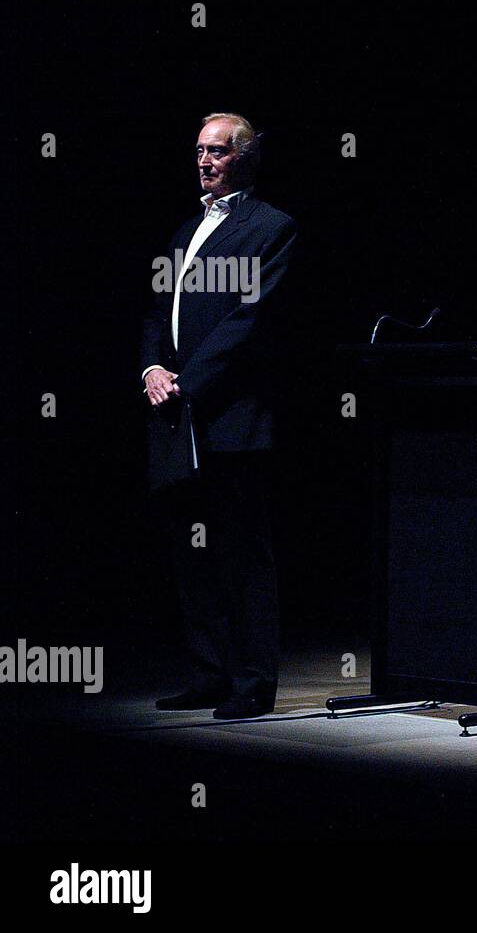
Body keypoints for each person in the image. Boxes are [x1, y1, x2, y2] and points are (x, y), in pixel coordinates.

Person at [141, 113, 298, 720]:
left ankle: (252, 684)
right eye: (199, 151)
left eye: (217, 152)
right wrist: (152, 371)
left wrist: (188, 383)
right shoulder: (184, 231)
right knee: (192, 548)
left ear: (246, 156)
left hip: (232, 414)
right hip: (175, 411)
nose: (204, 162)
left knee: (242, 552)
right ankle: (208, 673)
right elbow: (156, 313)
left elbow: (250, 320)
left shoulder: (273, 228)